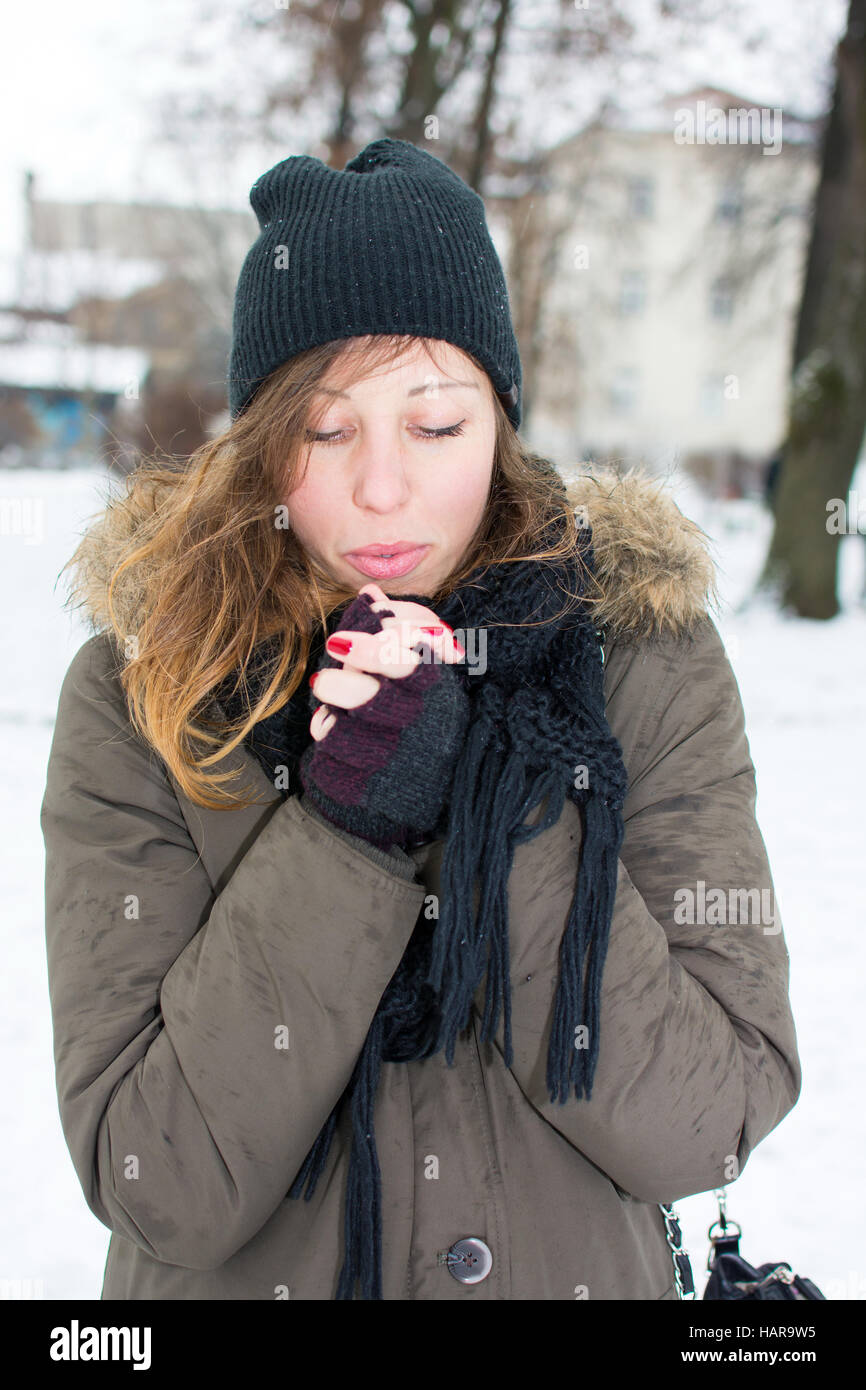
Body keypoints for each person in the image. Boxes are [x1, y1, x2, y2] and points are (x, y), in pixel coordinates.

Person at [41, 139, 801, 1301]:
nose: (382, 490)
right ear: (259, 444)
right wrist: (343, 832)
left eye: (434, 426)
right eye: (325, 430)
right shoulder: (149, 690)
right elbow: (161, 1179)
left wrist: (512, 793)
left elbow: (705, 1123)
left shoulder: (642, 658)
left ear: (498, 421)